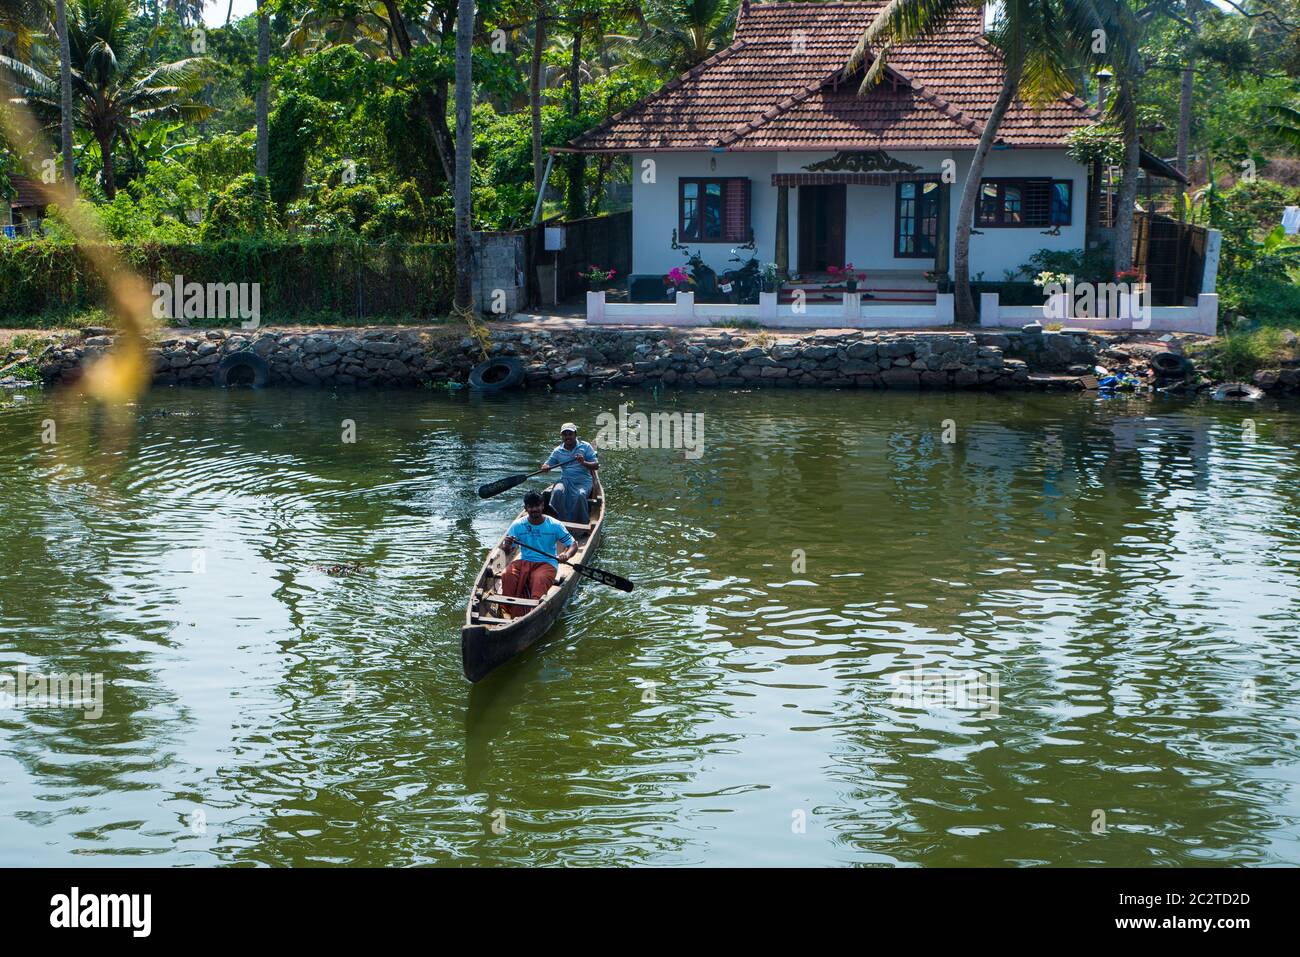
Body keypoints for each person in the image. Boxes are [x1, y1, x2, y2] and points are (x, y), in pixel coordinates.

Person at [499, 491, 576, 618]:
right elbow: (506, 552)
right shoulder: (518, 525)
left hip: (547, 563)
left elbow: (573, 545)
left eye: (537, 506)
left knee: (539, 579)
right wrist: (507, 545)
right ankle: (505, 608)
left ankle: (532, 612)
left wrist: (566, 555)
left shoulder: (554, 525)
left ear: (542, 506)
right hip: (524, 561)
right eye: (530, 507)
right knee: (507, 574)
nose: (534, 509)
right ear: (526, 508)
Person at [542, 422, 599, 524]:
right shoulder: (558, 451)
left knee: (580, 495)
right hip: (565, 481)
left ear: (575, 434)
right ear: (562, 436)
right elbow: (547, 465)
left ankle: (581, 524)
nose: (568, 437)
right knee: (558, 491)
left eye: (570, 434)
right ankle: (556, 521)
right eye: (565, 434)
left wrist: (583, 462)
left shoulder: (585, 447)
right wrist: (545, 467)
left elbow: (596, 465)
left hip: (583, 481)